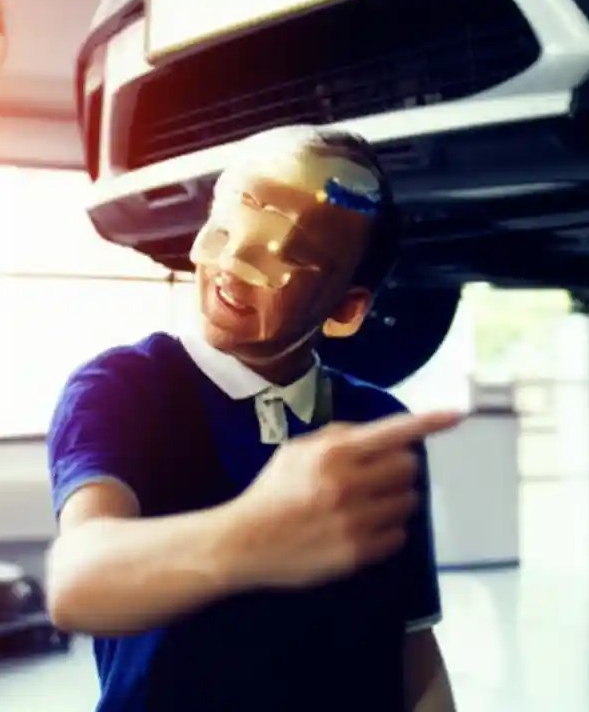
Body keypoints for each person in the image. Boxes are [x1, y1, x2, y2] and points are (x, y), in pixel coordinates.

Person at [45, 126, 460, 711]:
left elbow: (412, 644)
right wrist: (252, 536)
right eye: (231, 224)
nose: (237, 264)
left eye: (292, 253)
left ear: (345, 310)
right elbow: (78, 581)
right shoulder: (122, 388)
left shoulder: (378, 425)